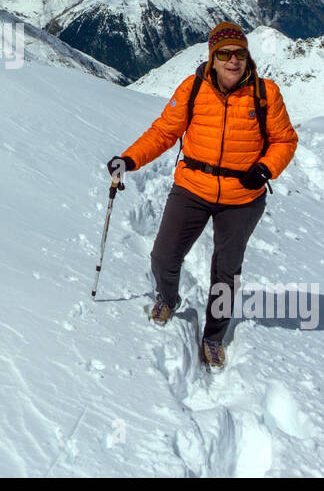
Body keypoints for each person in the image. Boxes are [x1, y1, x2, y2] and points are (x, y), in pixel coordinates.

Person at [106, 22, 298, 370]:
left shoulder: (265, 93)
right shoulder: (194, 88)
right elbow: (164, 132)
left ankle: (213, 335)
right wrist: (129, 158)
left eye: (239, 54)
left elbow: (285, 141)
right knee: (164, 256)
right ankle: (168, 297)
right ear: (212, 58)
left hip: (243, 196)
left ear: (247, 57)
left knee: (226, 272)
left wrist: (266, 168)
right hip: (193, 188)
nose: (233, 61)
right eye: (224, 54)